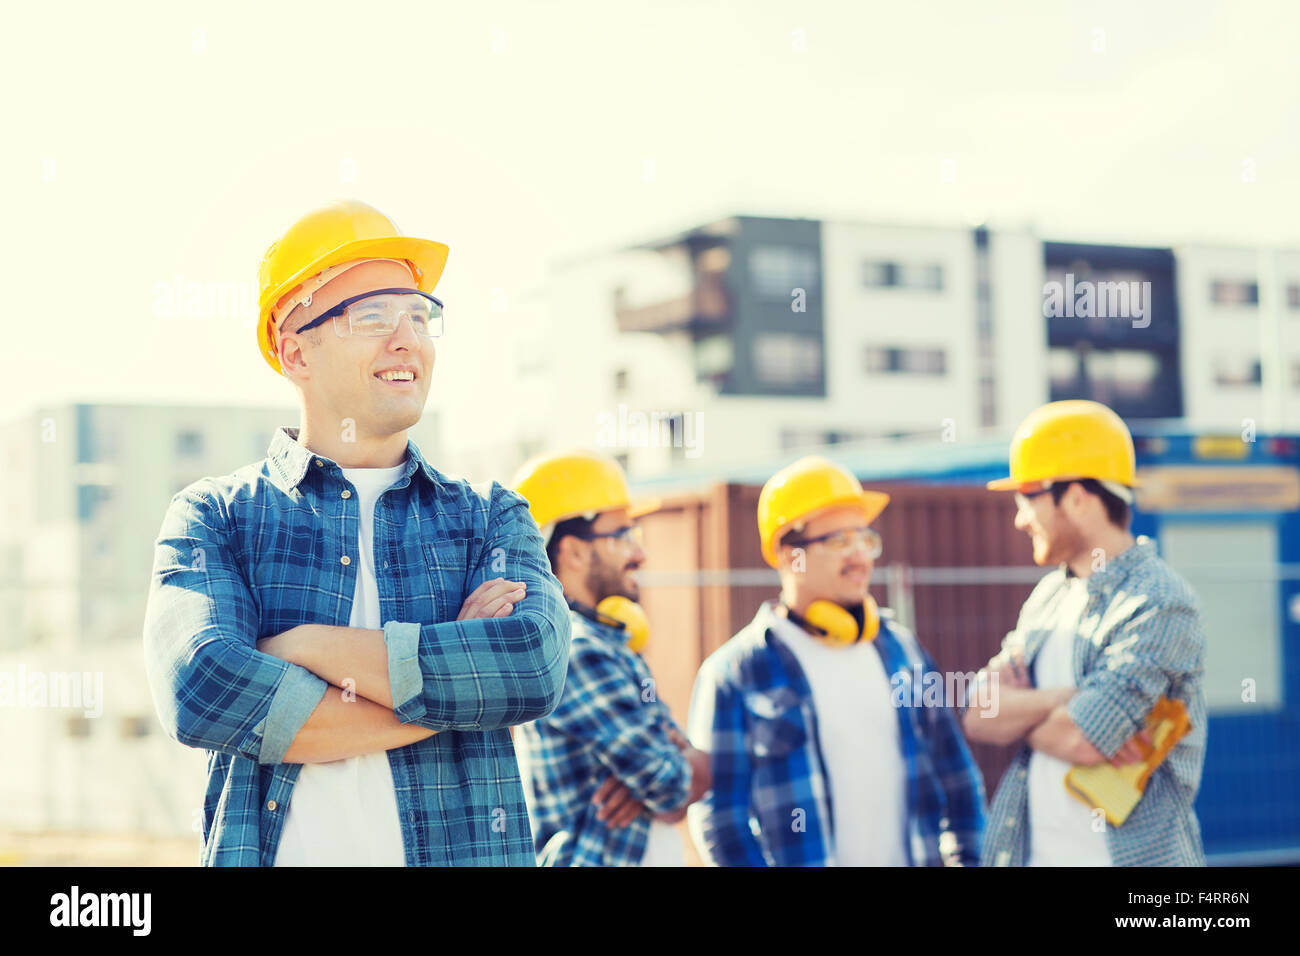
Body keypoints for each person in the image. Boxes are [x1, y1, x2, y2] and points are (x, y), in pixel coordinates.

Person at [142, 199, 569, 866]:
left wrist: (302, 647)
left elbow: (531, 667)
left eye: (420, 317)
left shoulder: (491, 516)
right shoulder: (217, 517)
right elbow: (203, 689)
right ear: (295, 351)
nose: (407, 340)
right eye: (372, 316)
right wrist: (455, 689)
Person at [687, 456, 986, 866]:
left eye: (865, 539)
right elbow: (721, 819)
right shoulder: (734, 673)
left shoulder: (904, 653)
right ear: (788, 554)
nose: (861, 556)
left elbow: (959, 781)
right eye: (839, 541)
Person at [965, 400, 1207, 866]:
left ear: (1075, 497)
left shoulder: (1158, 602)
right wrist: (1069, 697)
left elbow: (1082, 740)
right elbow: (978, 714)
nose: (1019, 517)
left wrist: (1027, 713)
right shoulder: (1047, 598)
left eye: (1027, 497)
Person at [511, 451, 711, 866]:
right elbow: (672, 788)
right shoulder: (579, 651)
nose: (640, 555)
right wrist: (681, 766)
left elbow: (675, 784)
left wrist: (674, 769)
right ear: (575, 552)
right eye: (623, 535)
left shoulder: (606, 643)